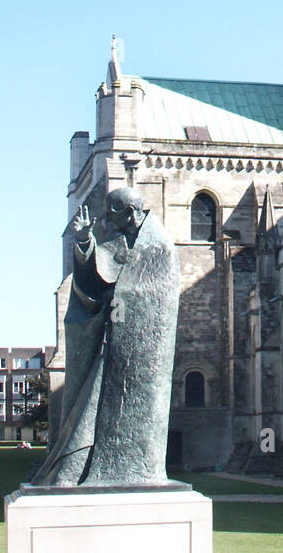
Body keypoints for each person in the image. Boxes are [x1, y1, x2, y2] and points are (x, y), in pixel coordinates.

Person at [31, 186, 179, 488]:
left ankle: (126, 472)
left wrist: (119, 293)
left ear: (130, 212)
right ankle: (75, 471)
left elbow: (158, 294)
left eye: (111, 215)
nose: (106, 223)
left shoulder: (160, 246)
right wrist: (85, 241)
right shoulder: (119, 242)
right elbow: (94, 281)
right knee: (89, 407)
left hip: (143, 357)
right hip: (114, 348)